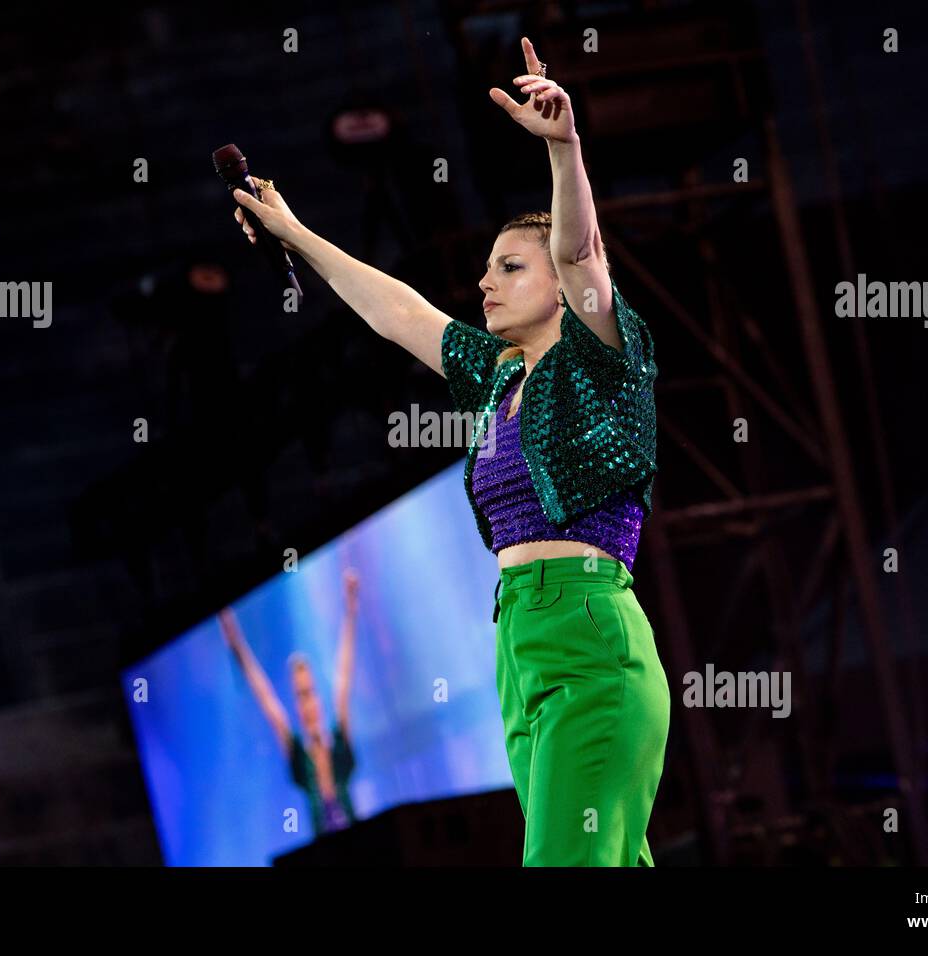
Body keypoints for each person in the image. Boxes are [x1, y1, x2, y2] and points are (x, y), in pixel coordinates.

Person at [230, 37, 669, 867]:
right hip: (518, 644)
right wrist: (293, 230)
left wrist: (562, 147)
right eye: (486, 269)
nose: (485, 283)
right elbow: (397, 312)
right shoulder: (498, 375)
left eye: (509, 267)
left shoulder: (602, 358)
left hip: (589, 638)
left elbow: (580, 253)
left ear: (561, 290)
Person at [218, 569, 360, 838]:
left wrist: (351, 613)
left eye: (309, 693)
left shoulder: (339, 745)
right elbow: (267, 700)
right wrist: (236, 642)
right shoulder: (298, 756)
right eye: (300, 695)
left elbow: (343, 680)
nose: (307, 704)